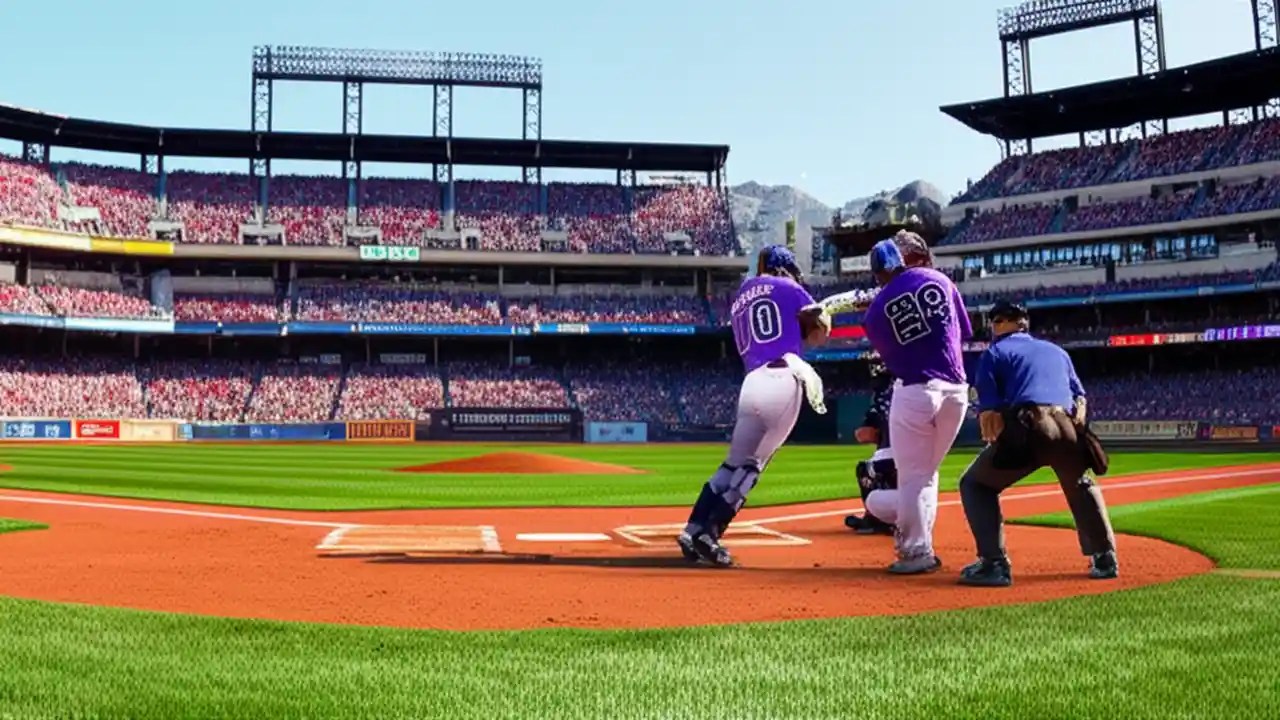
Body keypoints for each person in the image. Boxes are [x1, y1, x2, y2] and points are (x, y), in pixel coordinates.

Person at [677, 245, 830, 567]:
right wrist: (822, 315)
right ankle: (711, 534)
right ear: (783, 267)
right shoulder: (791, 287)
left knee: (732, 464)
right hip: (783, 377)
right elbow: (819, 335)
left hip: (752, 381)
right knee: (751, 468)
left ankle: (692, 529)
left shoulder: (740, 298)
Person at [957, 299, 1118, 587]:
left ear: (999, 323)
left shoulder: (994, 353)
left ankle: (994, 564)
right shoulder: (1057, 351)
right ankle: (1105, 557)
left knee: (976, 484)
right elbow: (1080, 401)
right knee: (1080, 482)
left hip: (1030, 424)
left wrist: (999, 445)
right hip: (1067, 425)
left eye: (995, 322)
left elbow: (991, 416)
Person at [859, 231, 971, 574]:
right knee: (927, 473)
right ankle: (923, 542)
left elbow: (892, 358)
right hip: (957, 391)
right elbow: (962, 332)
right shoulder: (940, 279)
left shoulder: (875, 311)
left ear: (878, 274)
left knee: (913, 477)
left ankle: (913, 552)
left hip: (915, 390)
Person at [843, 363, 896, 535]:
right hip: (916, 455)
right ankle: (889, 517)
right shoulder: (900, 389)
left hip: (897, 451)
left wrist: (880, 431)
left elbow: (864, 435)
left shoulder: (886, 394)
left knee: (866, 469)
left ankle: (875, 519)